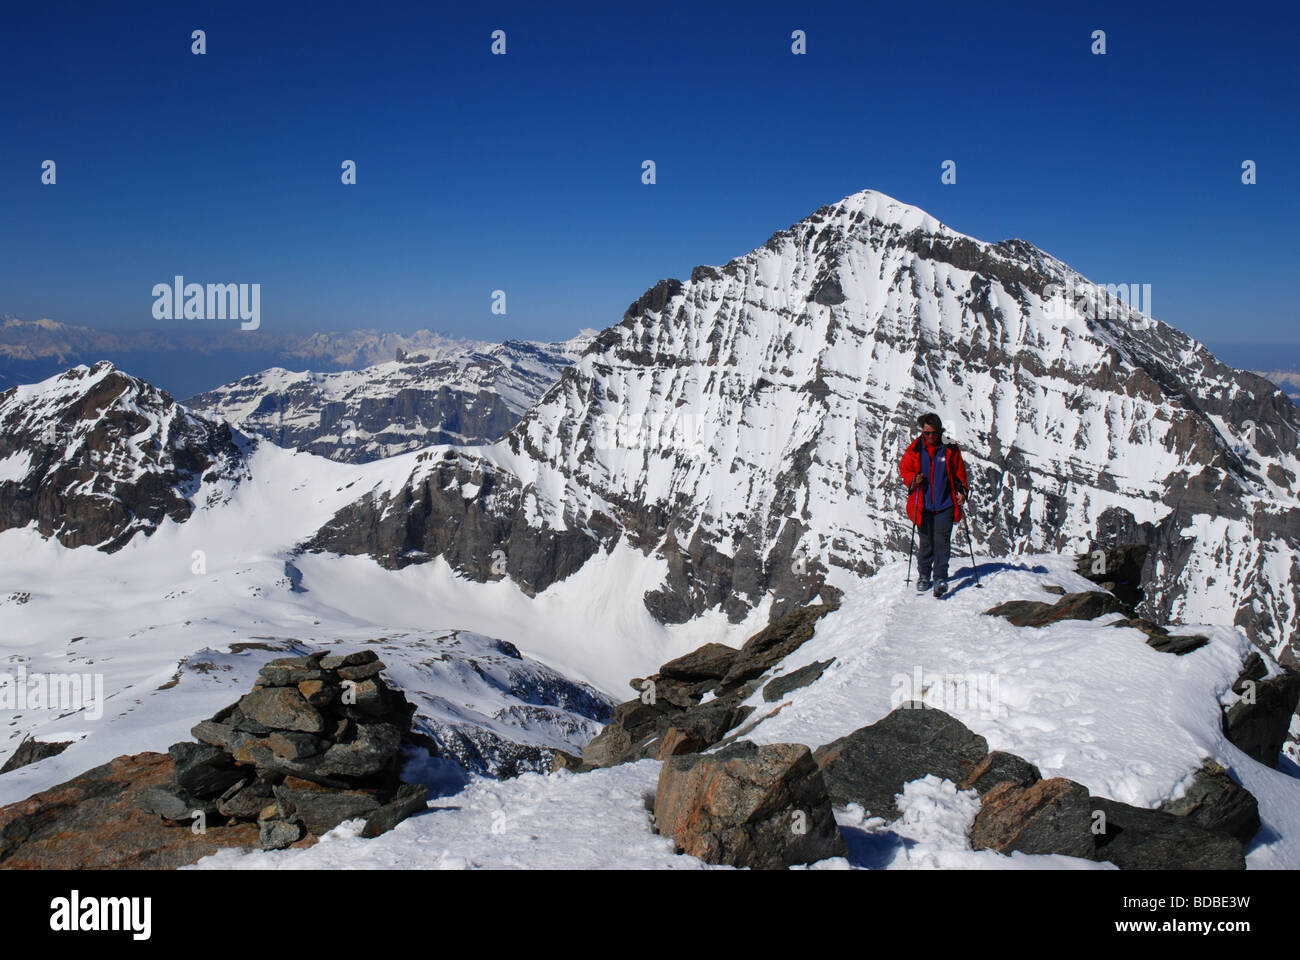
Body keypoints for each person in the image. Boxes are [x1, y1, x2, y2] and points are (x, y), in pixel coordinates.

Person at [899, 413, 969, 597]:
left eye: (933, 433)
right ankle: (924, 575)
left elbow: (959, 472)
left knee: (942, 542)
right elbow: (904, 469)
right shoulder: (916, 448)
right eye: (926, 433)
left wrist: (963, 491)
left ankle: (940, 578)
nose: (930, 436)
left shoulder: (950, 447)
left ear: (939, 431)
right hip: (923, 505)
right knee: (926, 542)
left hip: (945, 503)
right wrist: (913, 479)